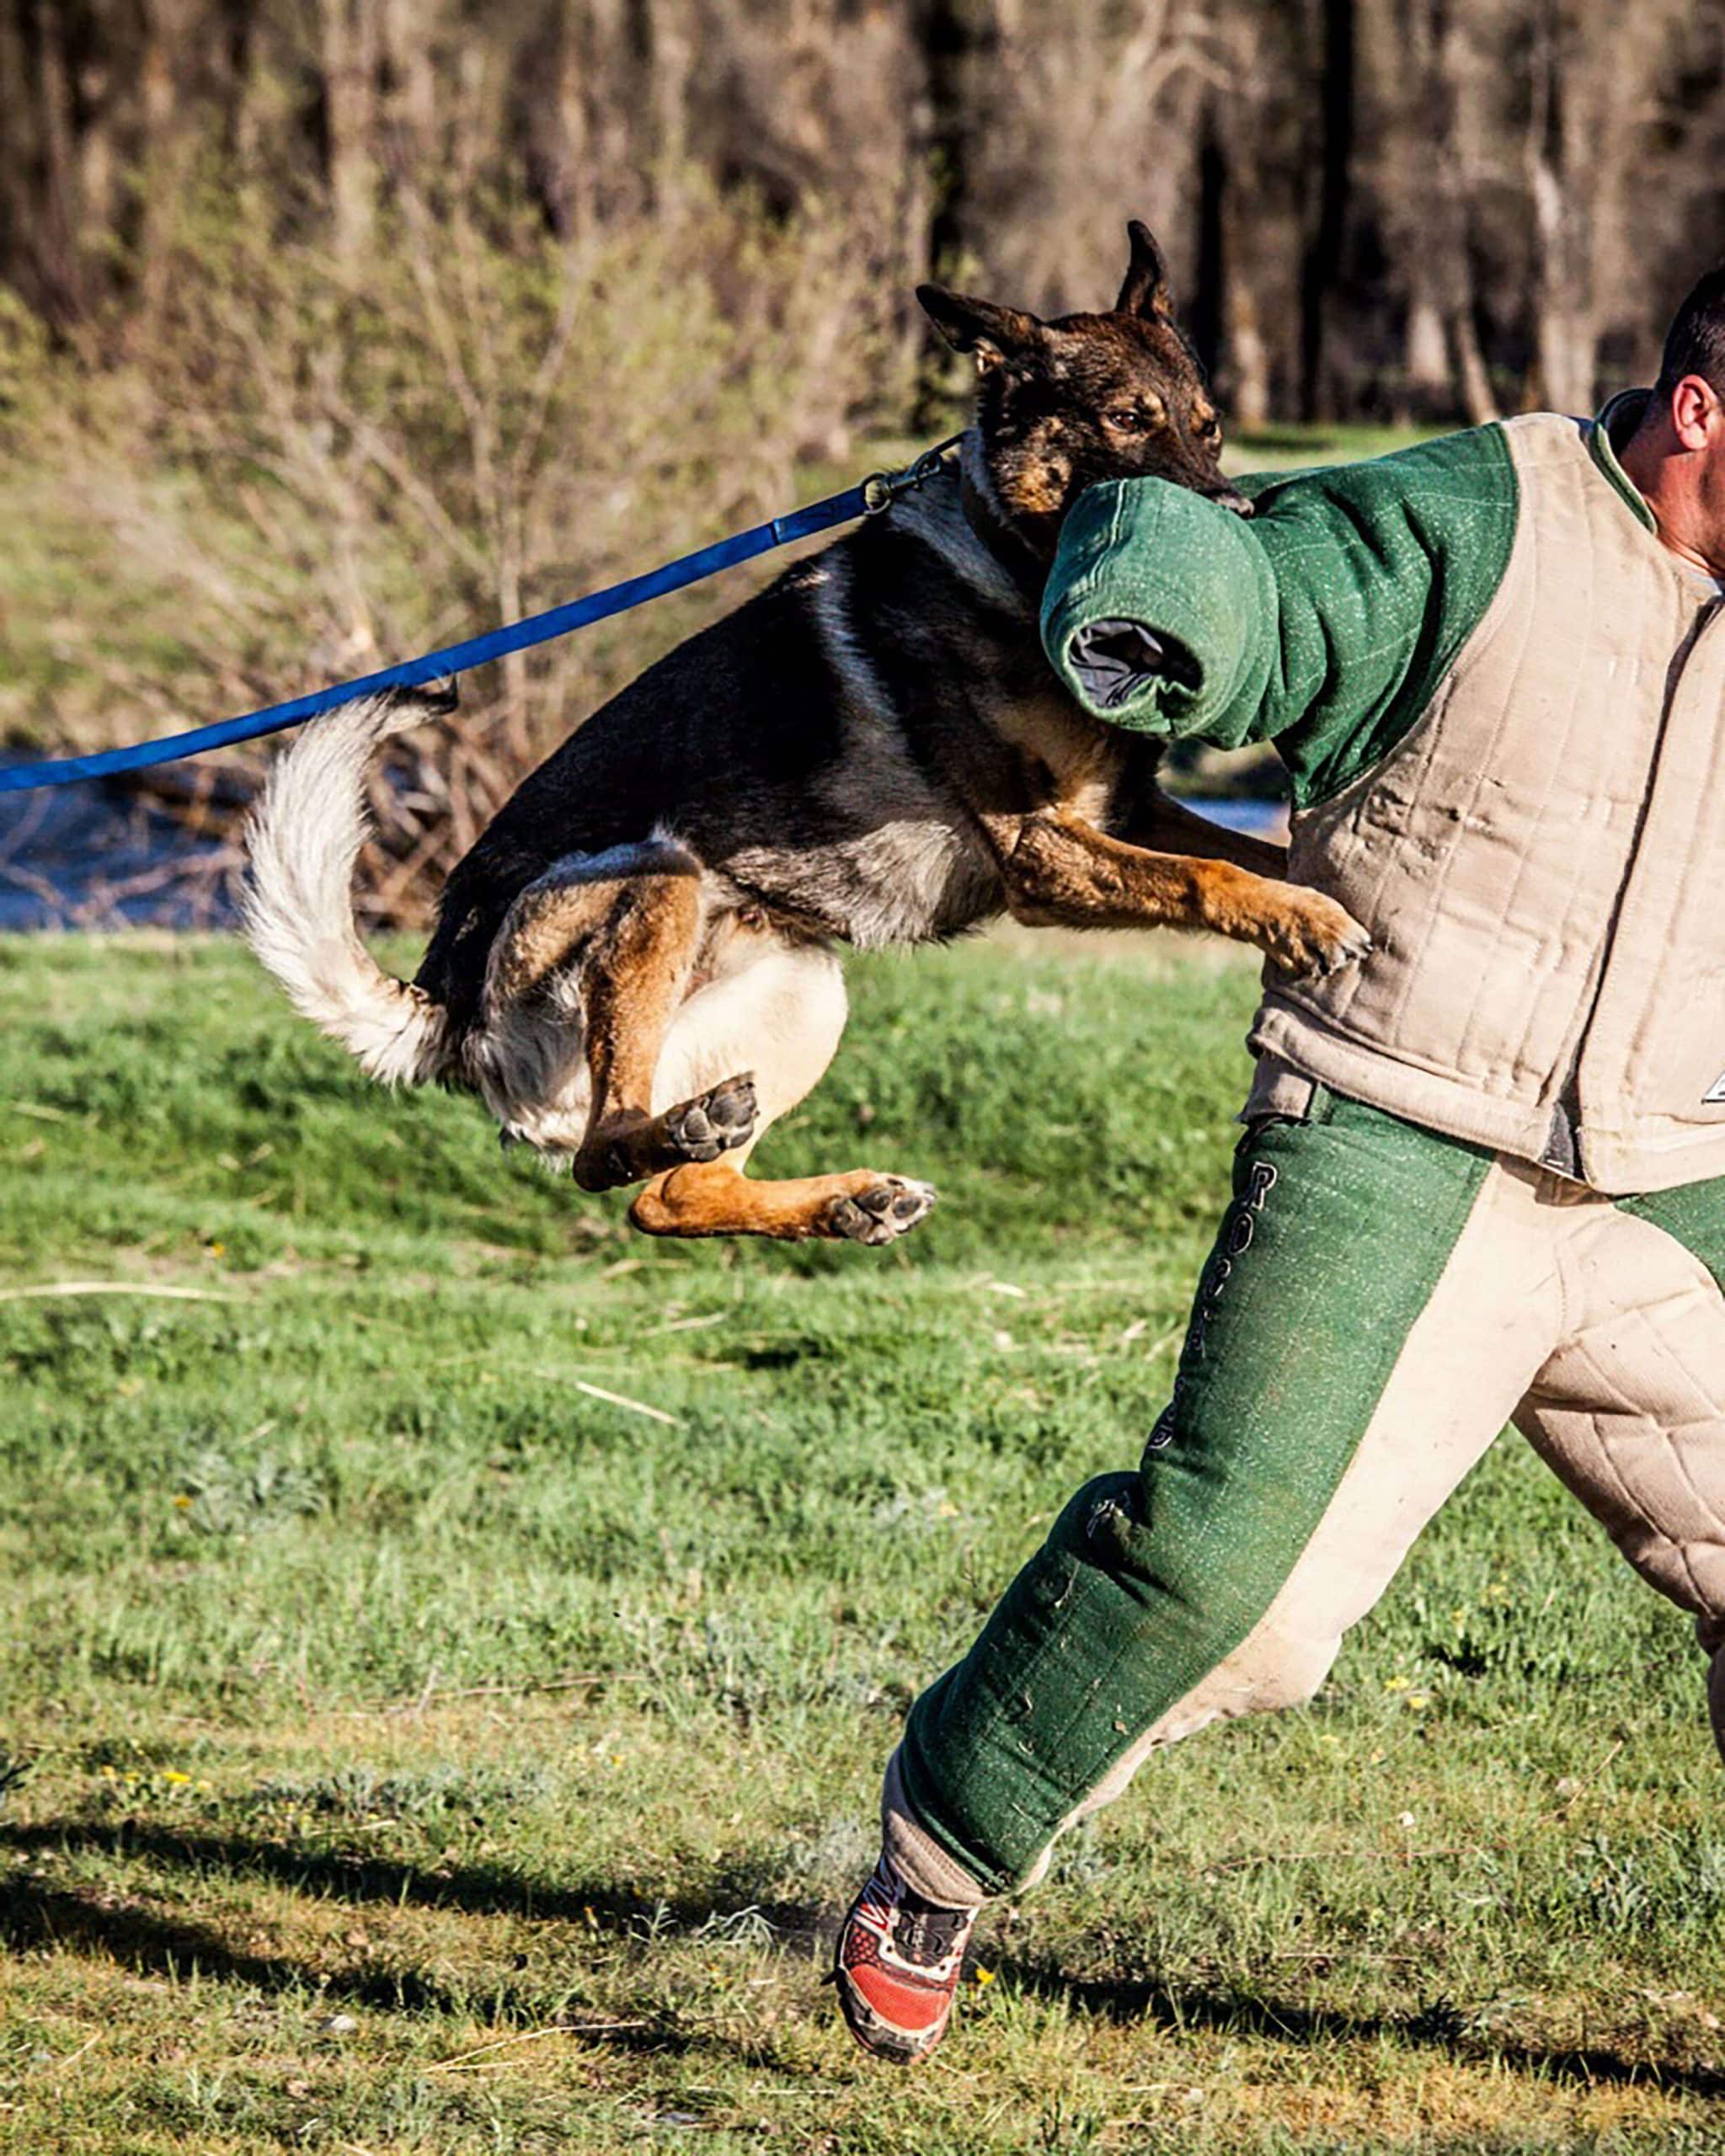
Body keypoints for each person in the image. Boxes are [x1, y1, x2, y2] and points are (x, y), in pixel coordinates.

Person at [833, 265, 1725, 2064]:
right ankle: (944, 1836)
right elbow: (1265, 588)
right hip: (1405, 1121)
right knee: (1246, 1596)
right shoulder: (1480, 515)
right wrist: (1165, 595)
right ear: (1702, 414)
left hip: (1673, 1171)